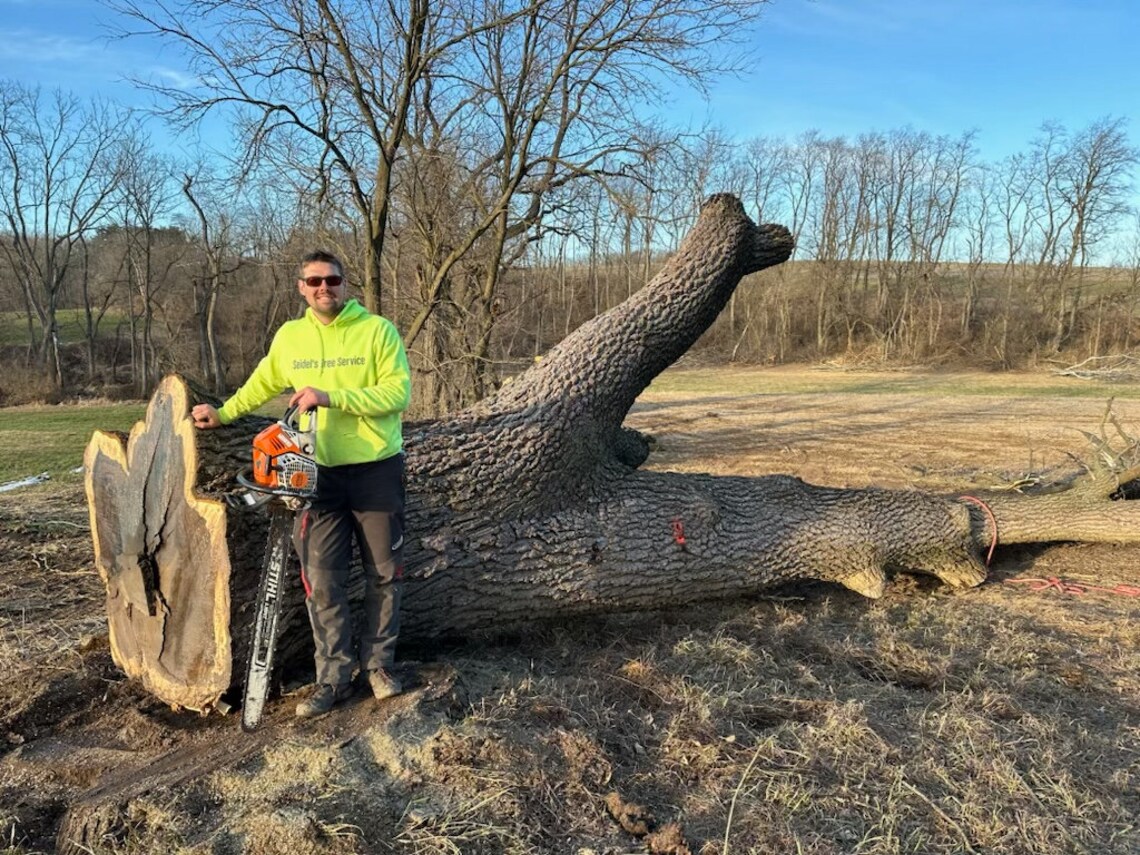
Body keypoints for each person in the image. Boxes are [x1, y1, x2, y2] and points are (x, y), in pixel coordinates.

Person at [191, 250, 411, 719]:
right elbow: (262, 382)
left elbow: (398, 394)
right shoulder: (291, 337)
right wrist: (223, 413)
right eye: (314, 281)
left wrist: (330, 396)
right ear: (301, 287)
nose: (323, 288)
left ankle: (379, 667)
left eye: (331, 280)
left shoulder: (377, 331)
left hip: (376, 469)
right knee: (322, 579)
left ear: (344, 283)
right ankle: (333, 677)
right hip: (312, 476)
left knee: (384, 573)